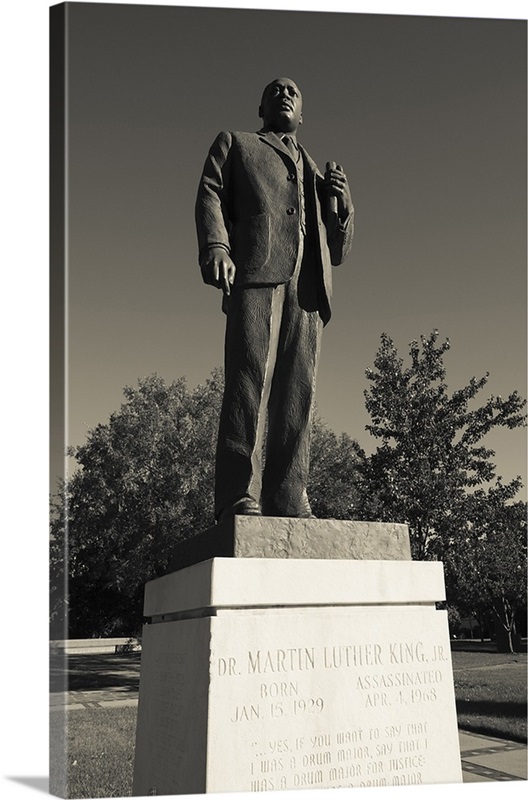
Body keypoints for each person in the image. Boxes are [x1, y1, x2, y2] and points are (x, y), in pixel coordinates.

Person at [195, 77, 354, 522]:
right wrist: (216, 247)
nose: (284, 94)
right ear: (261, 108)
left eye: (293, 92)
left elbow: (337, 251)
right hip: (257, 274)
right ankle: (237, 494)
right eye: (275, 90)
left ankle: (288, 496)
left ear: (303, 115)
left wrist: (342, 206)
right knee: (248, 380)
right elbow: (210, 192)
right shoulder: (237, 143)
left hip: (309, 287)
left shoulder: (317, 172)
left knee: (297, 394)